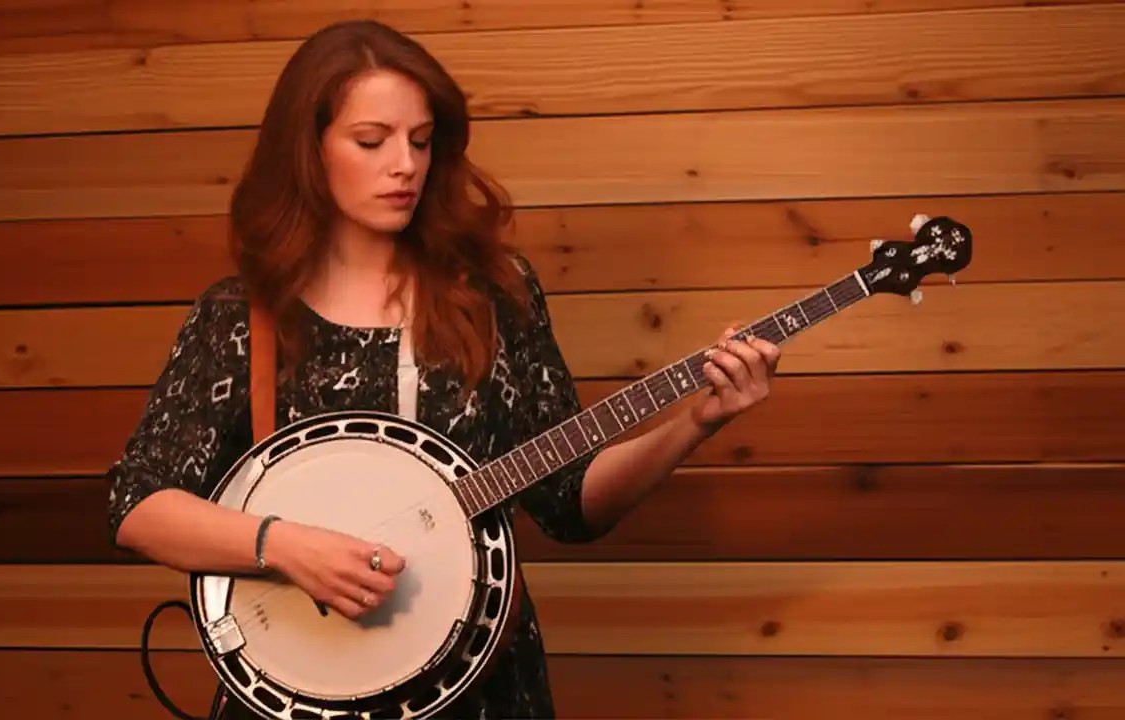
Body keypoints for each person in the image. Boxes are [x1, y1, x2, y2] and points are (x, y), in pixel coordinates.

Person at [106, 18, 780, 720]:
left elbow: (571, 503)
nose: (405, 165)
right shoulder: (243, 316)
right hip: (296, 697)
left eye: (420, 141)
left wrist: (697, 422)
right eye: (372, 141)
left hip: (482, 692)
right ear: (309, 150)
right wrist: (286, 548)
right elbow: (138, 505)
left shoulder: (493, 294)